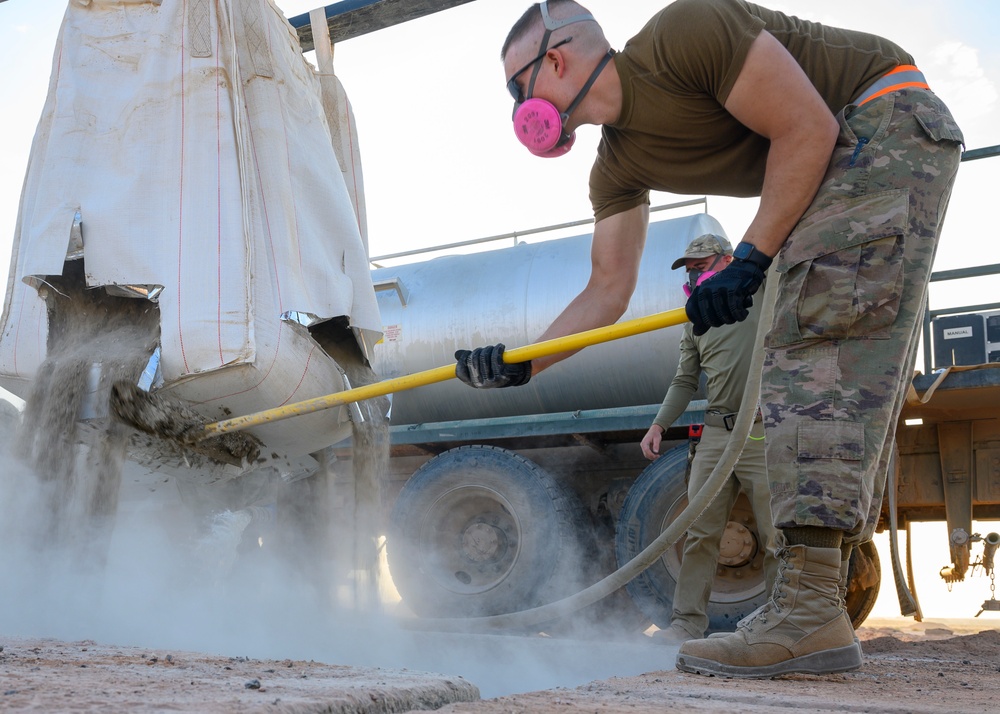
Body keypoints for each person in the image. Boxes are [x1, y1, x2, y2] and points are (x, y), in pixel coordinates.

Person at [454, 0, 963, 677]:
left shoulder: (683, 34)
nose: (517, 108)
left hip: (878, 119)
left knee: (817, 355)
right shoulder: (617, 166)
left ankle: (810, 611)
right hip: (838, 156)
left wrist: (750, 259)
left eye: (515, 88)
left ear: (554, 60)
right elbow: (607, 291)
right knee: (822, 346)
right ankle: (811, 604)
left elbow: (806, 125)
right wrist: (523, 365)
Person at [638, 233, 776, 646]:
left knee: (775, 535)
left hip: (763, 431)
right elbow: (685, 379)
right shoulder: (696, 318)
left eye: (702, 264)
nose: (696, 272)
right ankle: (685, 623)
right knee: (699, 532)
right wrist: (659, 424)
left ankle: (779, 623)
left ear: (729, 259)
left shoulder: (763, 293)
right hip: (716, 433)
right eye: (691, 268)